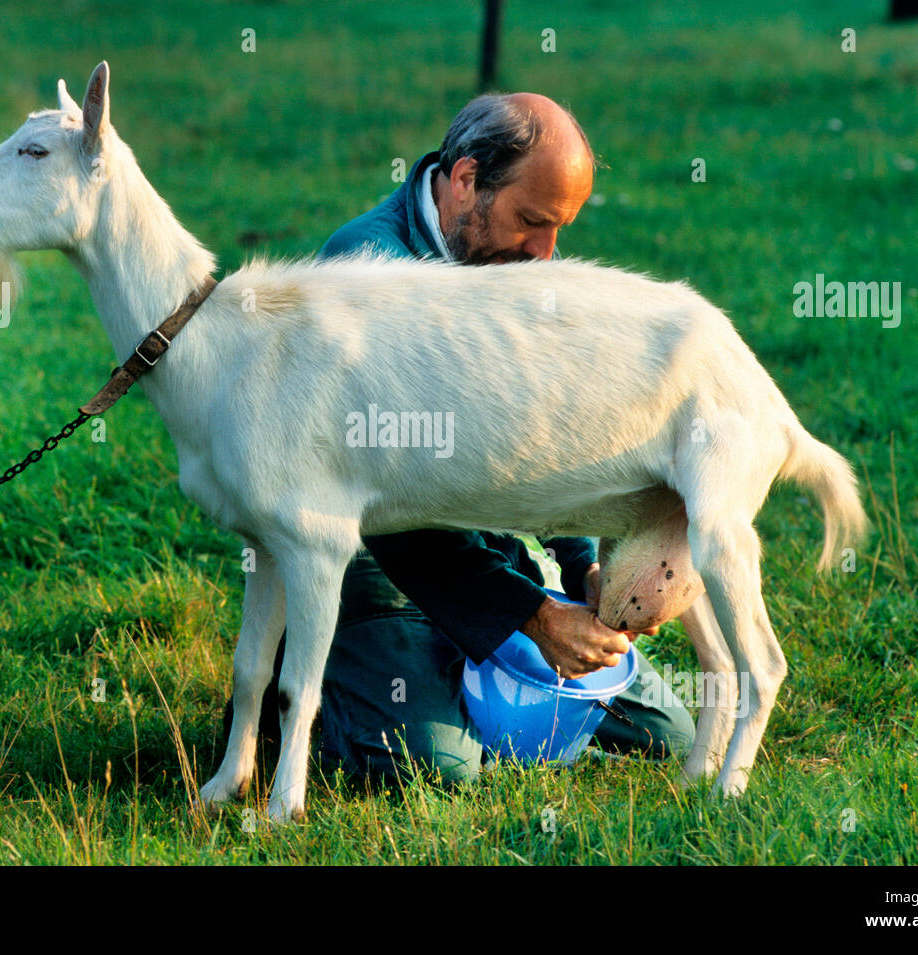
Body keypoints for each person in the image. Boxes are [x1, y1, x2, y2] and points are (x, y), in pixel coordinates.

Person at [227, 93, 695, 787]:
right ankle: (312, 690)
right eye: (532, 222)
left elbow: (547, 436)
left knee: (667, 734)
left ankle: (462, 693)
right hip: (372, 559)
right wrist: (530, 615)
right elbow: (387, 518)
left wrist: (581, 570)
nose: (546, 254)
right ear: (468, 180)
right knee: (438, 770)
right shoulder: (366, 272)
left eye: (559, 229)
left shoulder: (513, 271)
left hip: (490, 540)